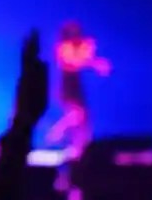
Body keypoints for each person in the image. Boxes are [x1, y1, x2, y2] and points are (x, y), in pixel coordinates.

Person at [46, 21, 110, 155]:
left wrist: (96, 62)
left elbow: (88, 58)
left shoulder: (81, 45)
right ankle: (58, 131)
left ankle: (80, 146)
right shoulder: (64, 47)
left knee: (83, 117)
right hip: (66, 85)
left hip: (76, 85)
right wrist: (93, 62)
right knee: (76, 114)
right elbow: (72, 62)